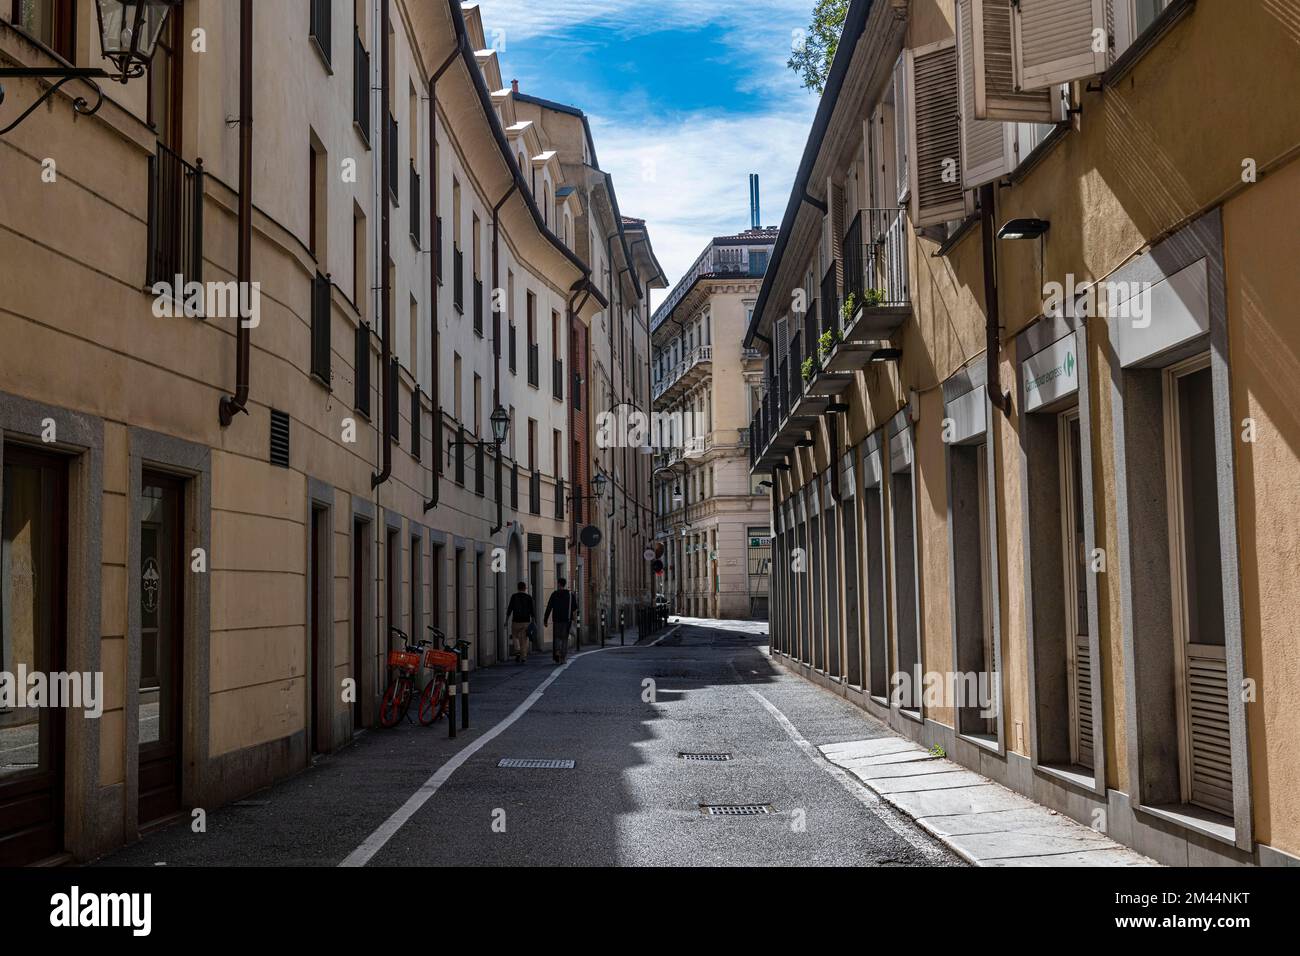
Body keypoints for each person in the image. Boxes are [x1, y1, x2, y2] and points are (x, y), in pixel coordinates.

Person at [543, 577, 579, 664]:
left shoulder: (554, 594)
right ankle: (563, 658)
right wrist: (574, 620)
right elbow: (574, 610)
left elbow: (549, 607)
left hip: (556, 620)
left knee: (557, 637)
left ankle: (557, 651)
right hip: (566, 620)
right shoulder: (570, 595)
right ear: (565, 584)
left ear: (559, 584)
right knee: (564, 639)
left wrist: (545, 619)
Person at [505, 581, 535, 664]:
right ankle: (523, 657)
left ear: (518, 588)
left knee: (515, 636)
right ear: (525, 588)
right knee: (524, 640)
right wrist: (533, 620)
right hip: (526, 621)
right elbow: (532, 610)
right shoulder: (529, 597)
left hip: (516, 621)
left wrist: (506, 620)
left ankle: (517, 650)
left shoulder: (514, 597)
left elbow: (509, 609)